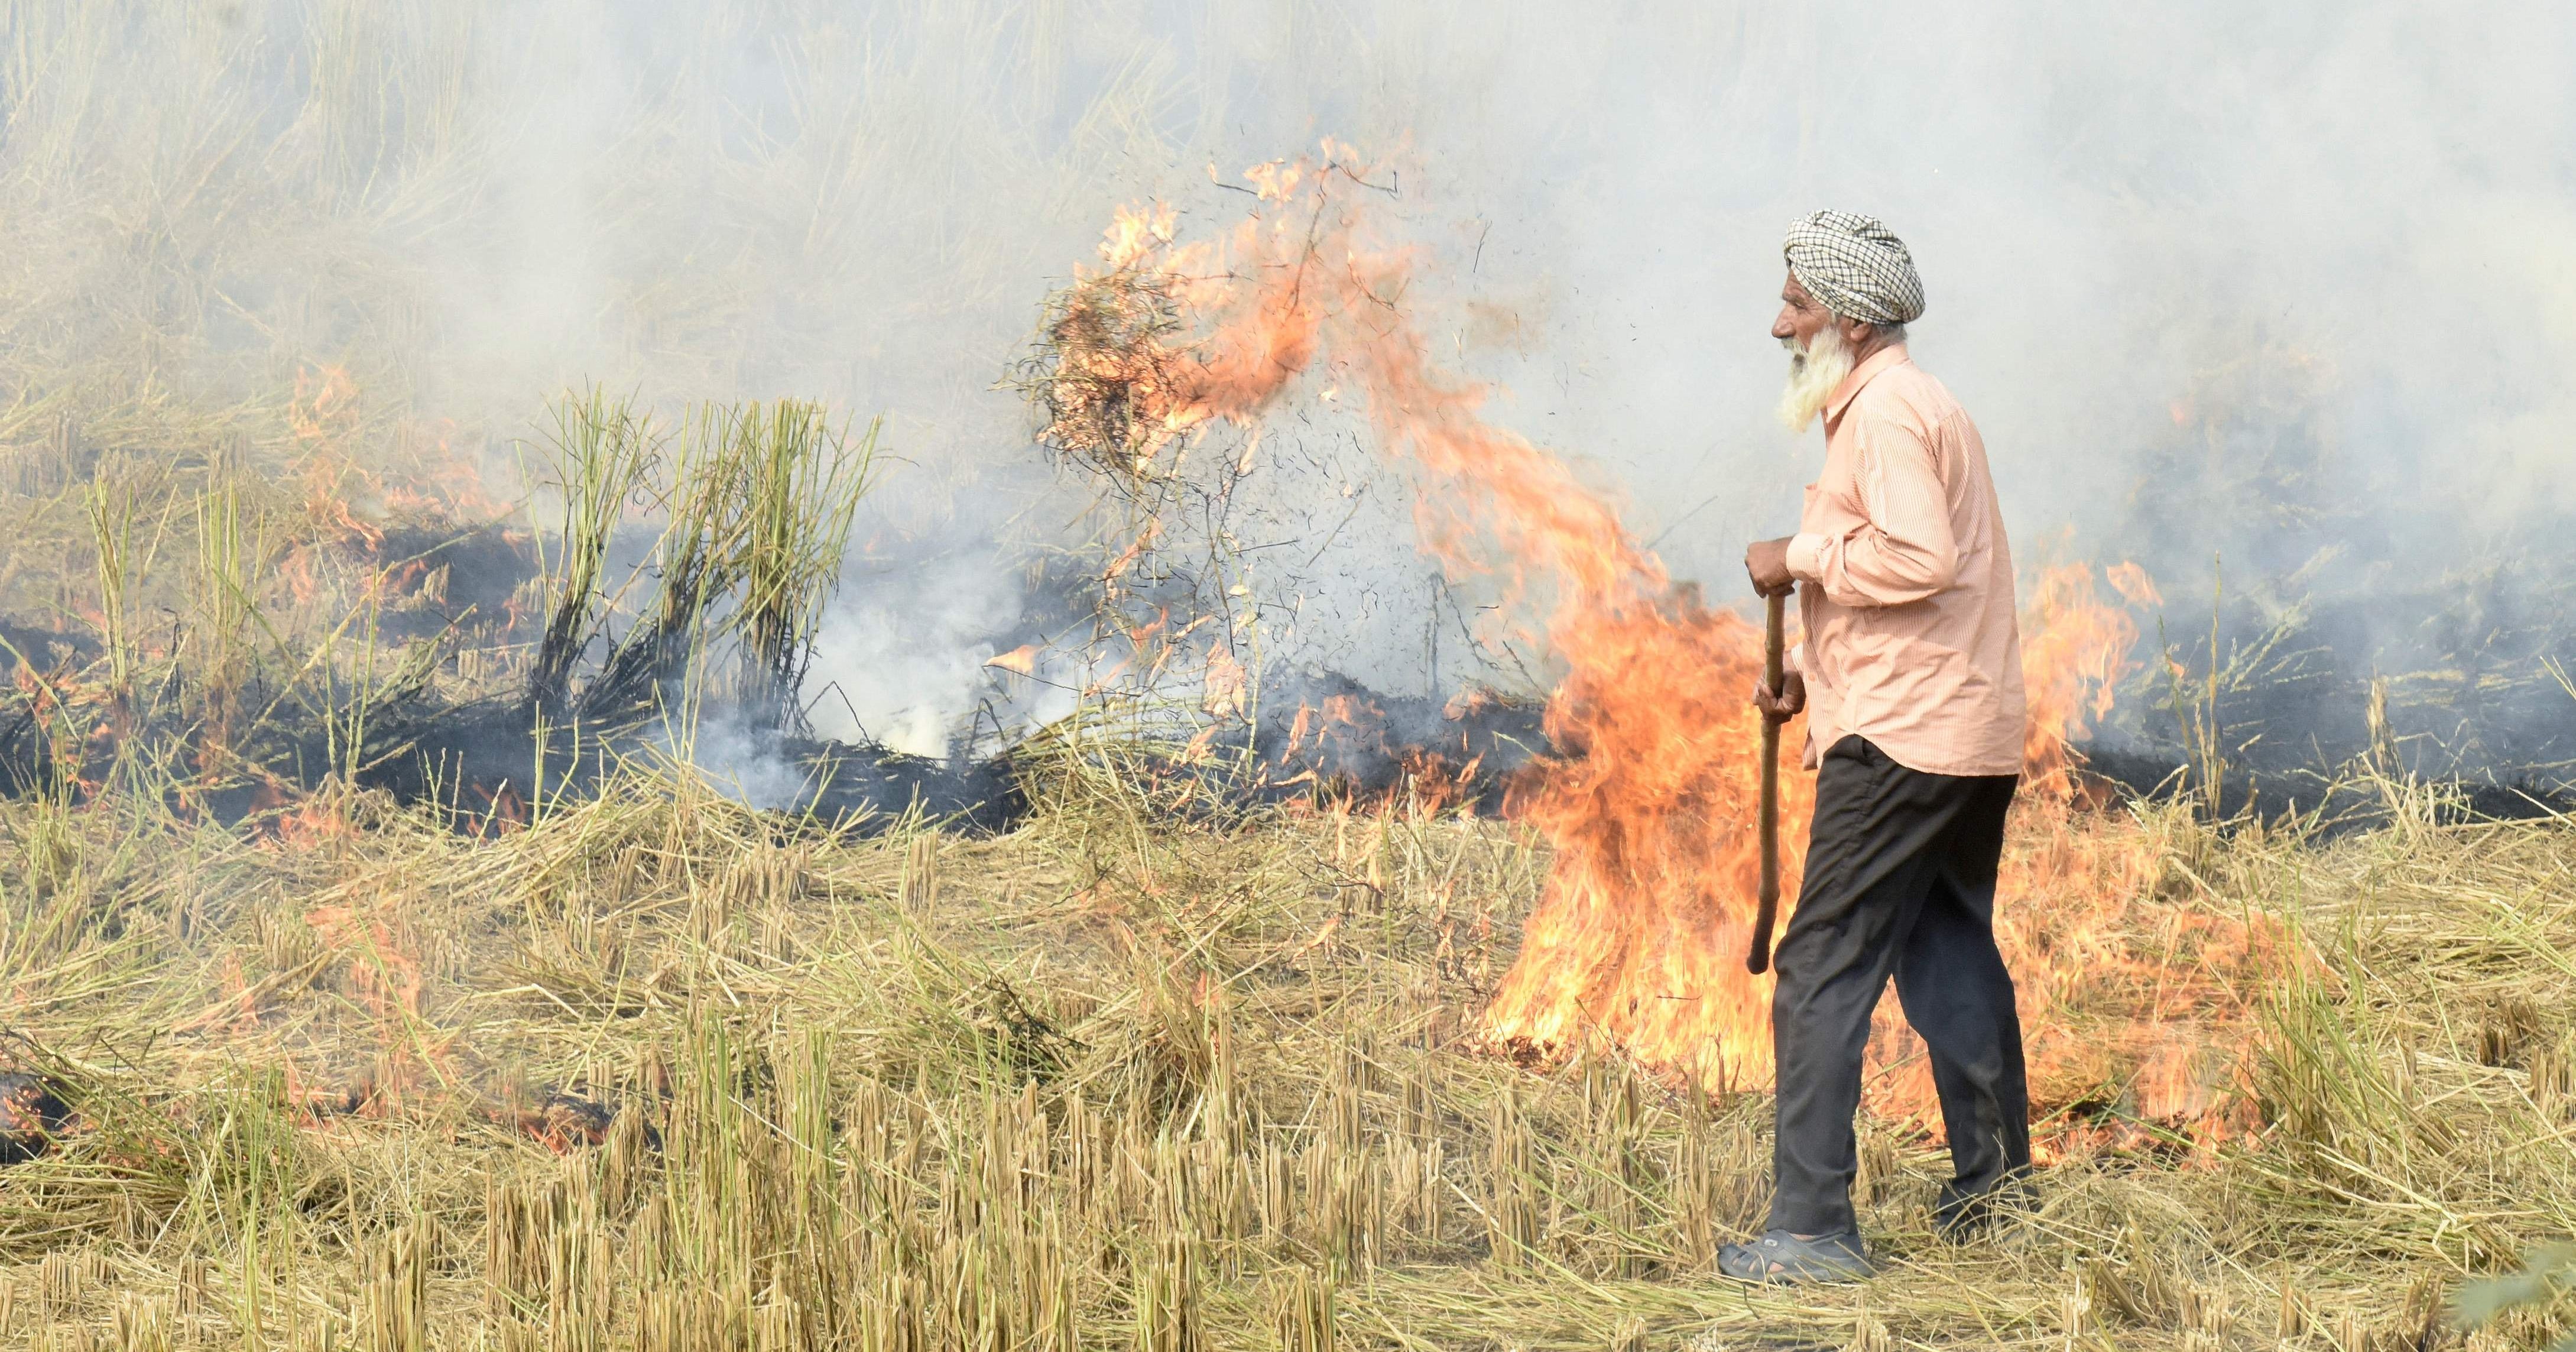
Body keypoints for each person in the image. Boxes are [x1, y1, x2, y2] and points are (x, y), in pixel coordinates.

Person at [1720, 211, 2032, 1284]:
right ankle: (1998, 1197)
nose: (1778, 323)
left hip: (1904, 741)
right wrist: (1808, 673)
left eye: (1796, 303)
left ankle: (1811, 1232)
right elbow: (1909, 586)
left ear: (1848, 320)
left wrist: (1792, 554)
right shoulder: (1897, 405)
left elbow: (1918, 559)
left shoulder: (1889, 413)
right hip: (1956, 729)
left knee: (1820, 964)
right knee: (1944, 950)